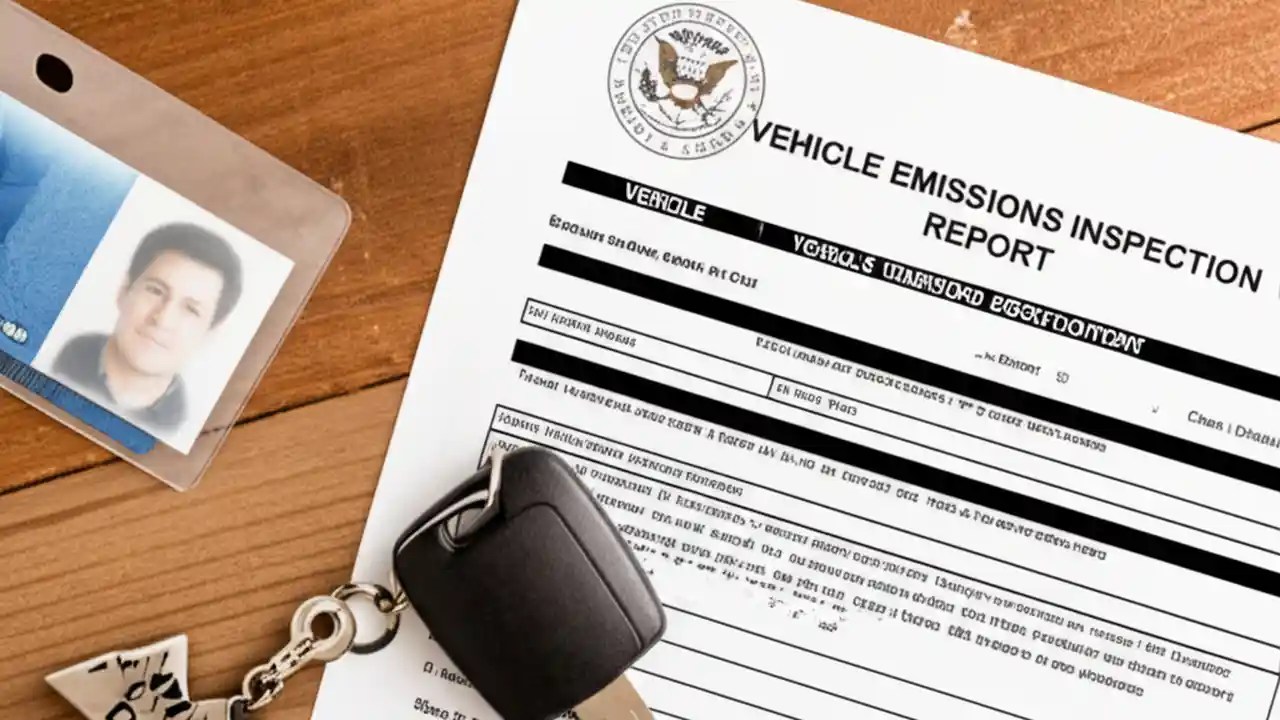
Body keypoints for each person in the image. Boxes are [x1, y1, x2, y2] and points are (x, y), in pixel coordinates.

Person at [52, 223, 243, 430]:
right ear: (124, 290)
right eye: (156, 291)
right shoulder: (55, 358)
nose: (163, 319)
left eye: (191, 309)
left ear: (210, 333)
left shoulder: (186, 429)